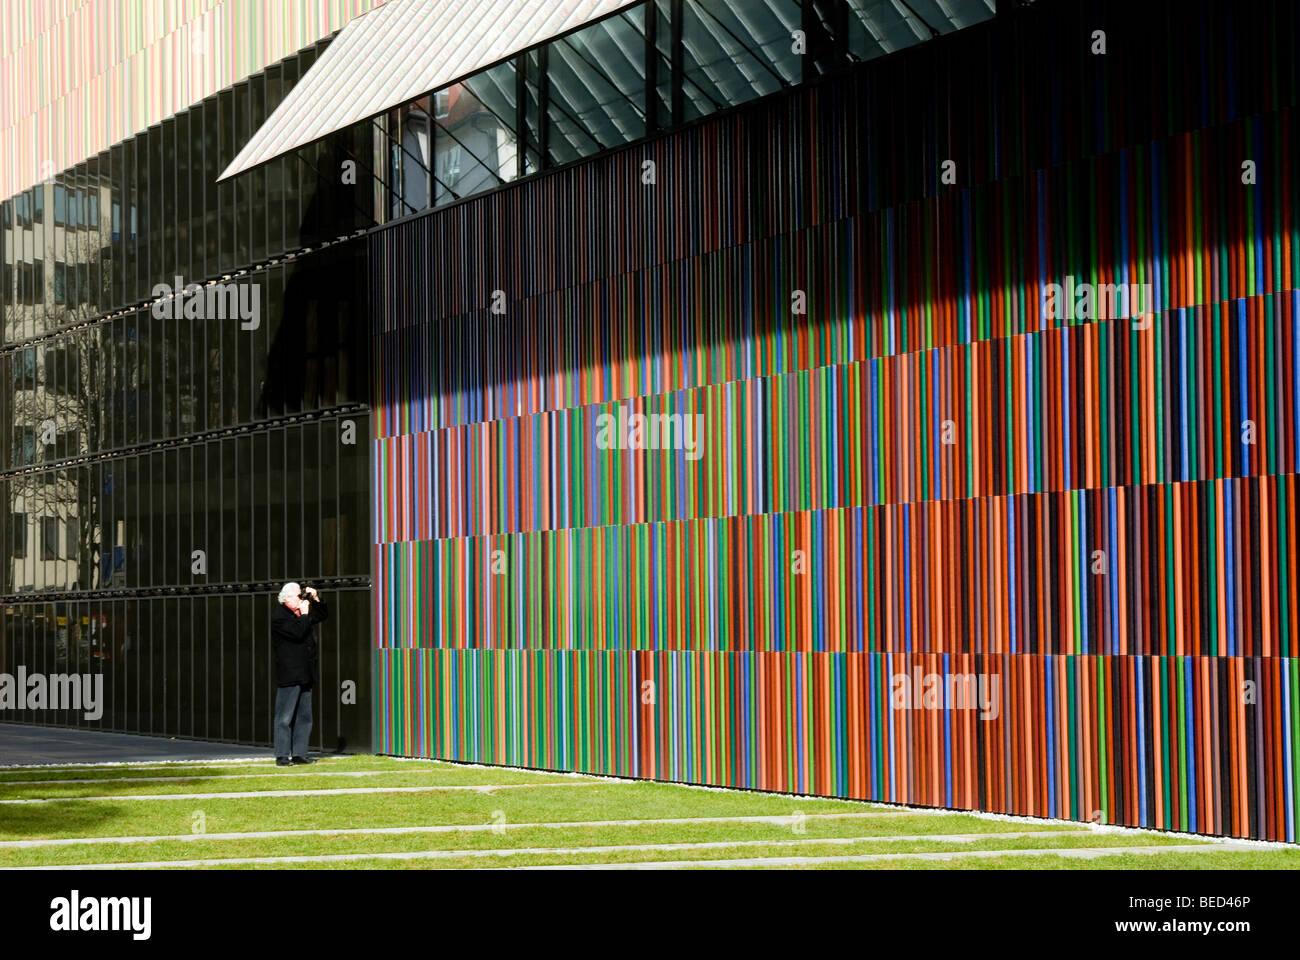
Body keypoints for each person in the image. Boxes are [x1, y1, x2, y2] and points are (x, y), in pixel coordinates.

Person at [271, 582, 328, 766]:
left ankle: (300, 753)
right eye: (299, 596)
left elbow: (321, 615)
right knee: (284, 717)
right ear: (287, 598)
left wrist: (316, 598)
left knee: (304, 716)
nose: (302, 600)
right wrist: (304, 614)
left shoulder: (302, 614)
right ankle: (281, 755)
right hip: (290, 674)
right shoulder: (280, 617)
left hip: (305, 672)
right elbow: (297, 633)